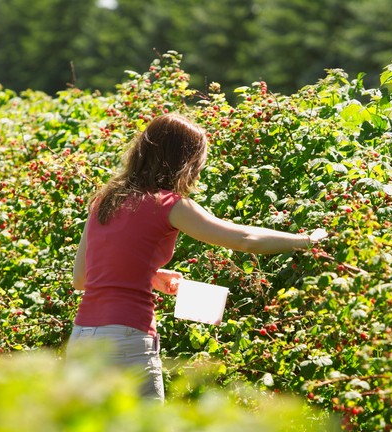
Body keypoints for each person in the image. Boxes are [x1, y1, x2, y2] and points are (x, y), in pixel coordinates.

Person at [68, 112, 327, 401]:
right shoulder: (169, 204)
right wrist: (305, 241)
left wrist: (149, 275)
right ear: (184, 162)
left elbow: (82, 279)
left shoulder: (105, 200)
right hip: (127, 339)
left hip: (83, 336)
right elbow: (243, 239)